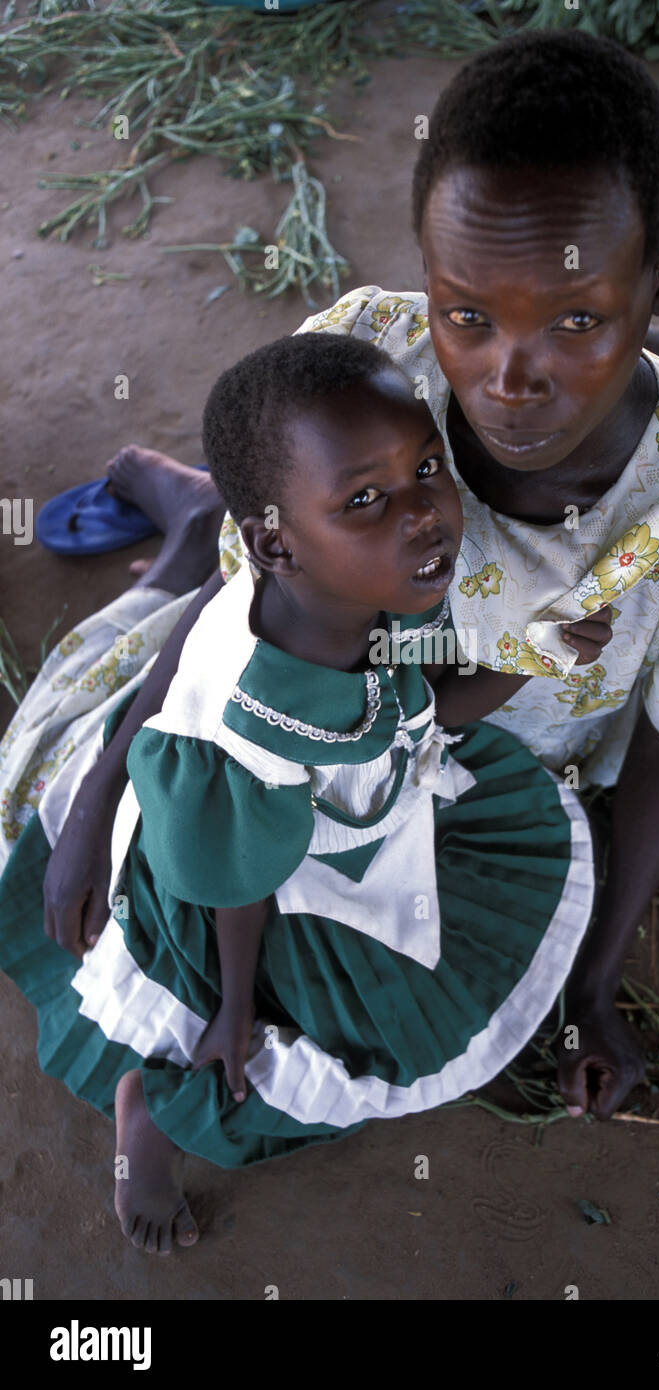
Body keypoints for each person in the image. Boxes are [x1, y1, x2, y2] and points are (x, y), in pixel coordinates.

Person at [2, 29, 659, 1128]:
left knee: (339, 1015)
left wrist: (593, 984)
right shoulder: (367, 367)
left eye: (575, 320)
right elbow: (240, 623)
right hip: (316, 749)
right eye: (464, 313)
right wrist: (99, 799)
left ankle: (190, 510)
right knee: (181, 915)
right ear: (425, 278)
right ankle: (197, 520)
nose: (506, 381)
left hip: (461, 794)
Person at [0, 334, 596, 1253]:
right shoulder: (257, 718)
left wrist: (539, 653)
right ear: (275, 541)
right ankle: (157, 1119)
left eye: (426, 468)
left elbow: (419, 710)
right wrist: (235, 1011)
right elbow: (234, 879)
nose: (423, 513)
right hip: (230, 891)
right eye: (364, 498)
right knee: (305, 1051)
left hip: (340, 831)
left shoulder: (365, 591)